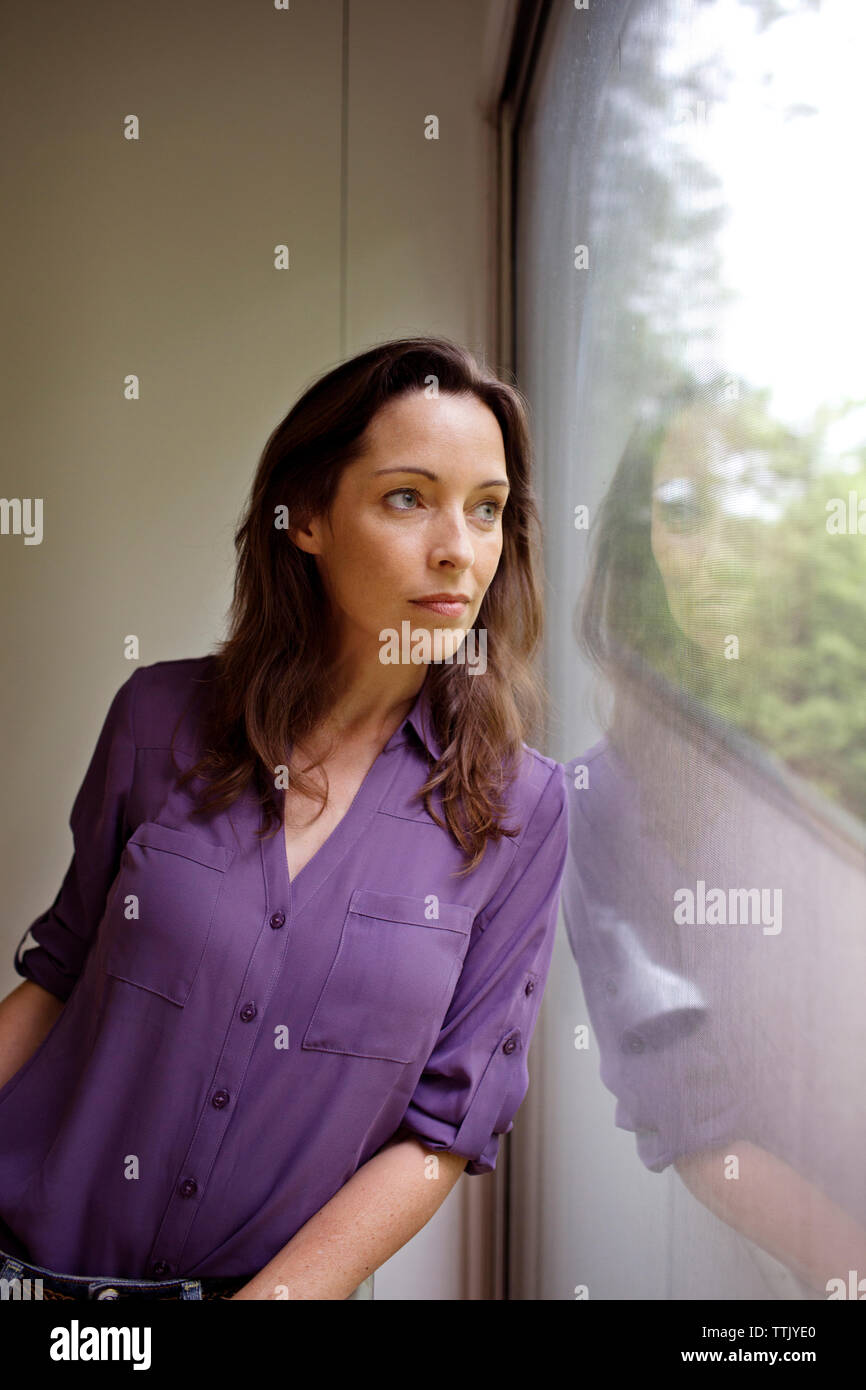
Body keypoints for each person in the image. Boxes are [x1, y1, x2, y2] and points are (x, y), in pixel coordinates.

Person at [0, 336, 569, 1301]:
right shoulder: (156, 719)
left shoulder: (523, 810)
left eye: (486, 510)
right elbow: (58, 977)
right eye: (407, 497)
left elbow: (444, 1129)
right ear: (305, 515)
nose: (457, 550)